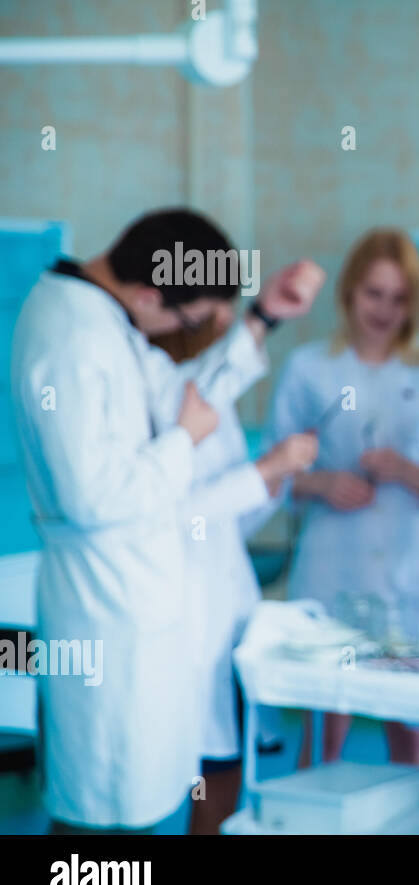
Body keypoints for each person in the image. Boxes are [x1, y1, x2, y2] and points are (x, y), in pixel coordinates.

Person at [9, 207, 325, 833]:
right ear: (152, 293)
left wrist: (263, 319)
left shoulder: (108, 320)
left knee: (140, 798)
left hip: (138, 608)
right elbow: (92, 497)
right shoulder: (71, 337)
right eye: (189, 319)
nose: (189, 333)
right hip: (106, 608)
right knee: (101, 813)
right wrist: (183, 439)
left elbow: (187, 390)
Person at [267, 228, 419, 768]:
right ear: (349, 292)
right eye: (374, 293)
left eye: (399, 298)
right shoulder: (309, 368)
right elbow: (273, 474)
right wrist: (322, 483)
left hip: (409, 558)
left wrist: (408, 471)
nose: (385, 310)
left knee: (407, 715)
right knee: (325, 714)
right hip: (333, 556)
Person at [149, 311, 319, 834]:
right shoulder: (156, 391)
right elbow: (173, 513)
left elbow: (230, 520)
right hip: (184, 613)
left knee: (225, 769)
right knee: (204, 769)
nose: (227, 320)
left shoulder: (206, 399)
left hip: (228, 612)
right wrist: (264, 472)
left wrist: (273, 478)